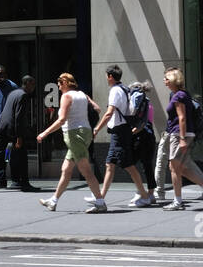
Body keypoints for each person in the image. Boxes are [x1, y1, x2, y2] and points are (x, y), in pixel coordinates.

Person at [35, 73, 107, 212]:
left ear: (66, 83)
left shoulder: (66, 96)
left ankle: (100, 202)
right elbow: (97, 109)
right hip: (85, 132)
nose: (58, 86)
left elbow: (62, 119)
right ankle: (53, 201)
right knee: (66, 169)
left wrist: (45, 133)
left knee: (86, 170)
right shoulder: (82, 95)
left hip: (74, 134)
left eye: (60, 83)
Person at [91, 65, 153, 207]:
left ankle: (144, 196)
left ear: (110, 76)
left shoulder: (115, 91)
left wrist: (97, 129)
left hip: (120, 132)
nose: (106, 78)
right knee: (110, 164)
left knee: (128, 165)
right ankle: (100, 197)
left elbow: (109, 113)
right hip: (120, 131)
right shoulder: (124, 89)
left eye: (106, 76)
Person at [160, 67, 203, 211]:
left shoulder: (178, 96)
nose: (164, 81)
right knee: (181, 168)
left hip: (179, 134)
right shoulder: (182, 94)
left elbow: (182, 118)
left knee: (174, 168)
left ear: (173, 79)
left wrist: (182, 138)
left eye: (166, 78)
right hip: (184, 134)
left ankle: (177, 201)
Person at [0, 74, 40, 191]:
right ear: (27, 84)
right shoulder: (23, 95)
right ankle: (24, 183)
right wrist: (19, 137)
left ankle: (14, 181)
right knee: (22, 157)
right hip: (14, 130)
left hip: (4, 128)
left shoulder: (13, 93)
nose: (34, 87)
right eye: (33, 84)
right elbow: (19, 117)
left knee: (10, 155)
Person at [128, 81, 158, 199]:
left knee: (130, 163)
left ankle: (141, 191)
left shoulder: (139, 103)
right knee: (147, 166)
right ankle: (150, 193)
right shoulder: (148, 103)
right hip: (149, 136)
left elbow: (140, 122)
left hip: (140, 135)